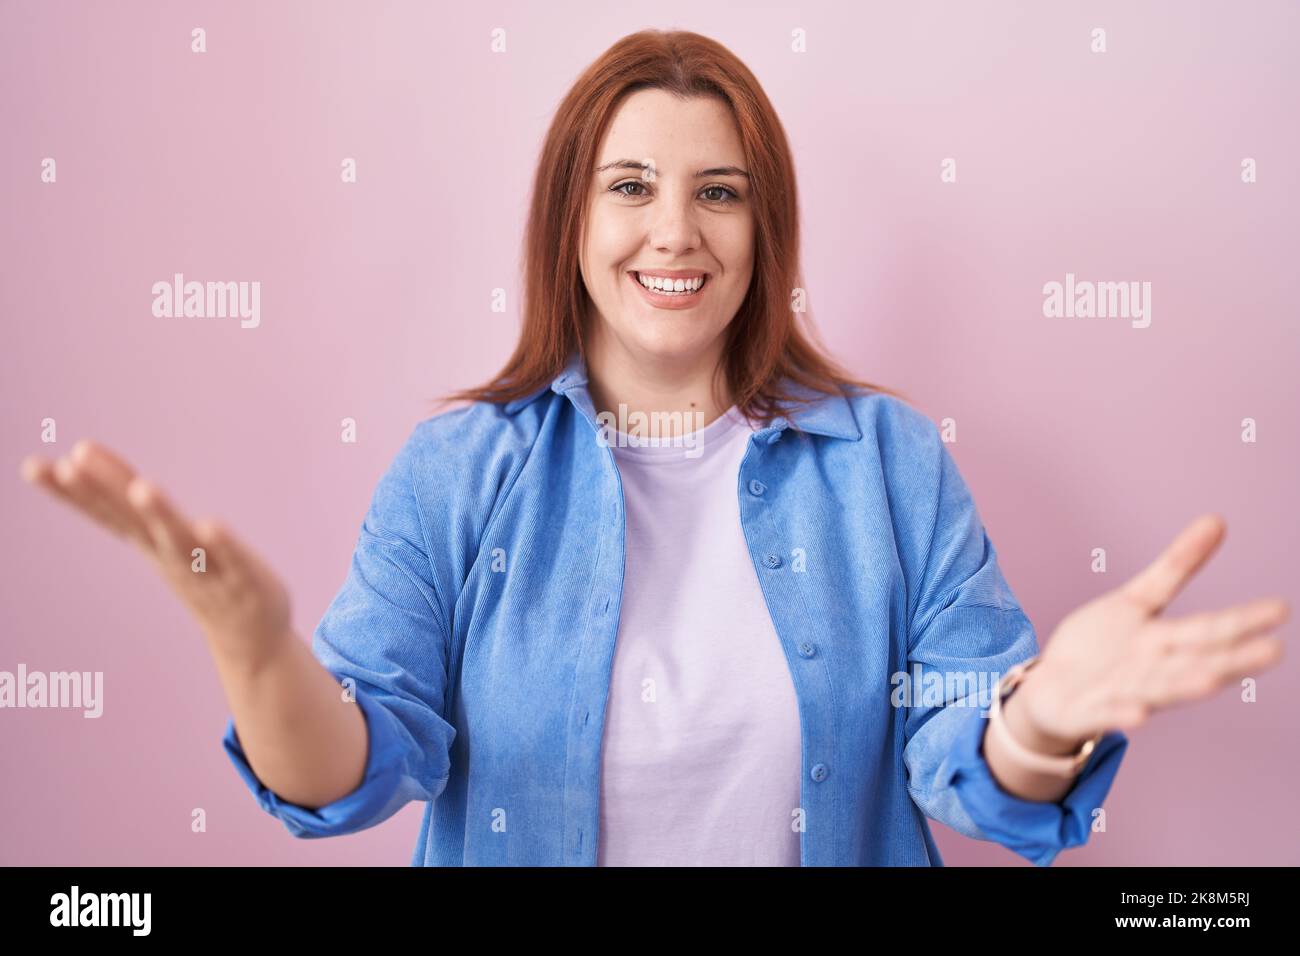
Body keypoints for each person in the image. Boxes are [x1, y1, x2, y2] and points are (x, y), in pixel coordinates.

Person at [21, 29, 1287, 867]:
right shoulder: (458, 468)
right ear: (570, 219)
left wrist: (1042, 713)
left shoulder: (890, 459)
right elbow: (352, 770)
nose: (673, 231)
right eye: (629, 186)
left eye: (718, 190)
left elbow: (972, 764)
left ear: (764, 225)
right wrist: (252, 652)